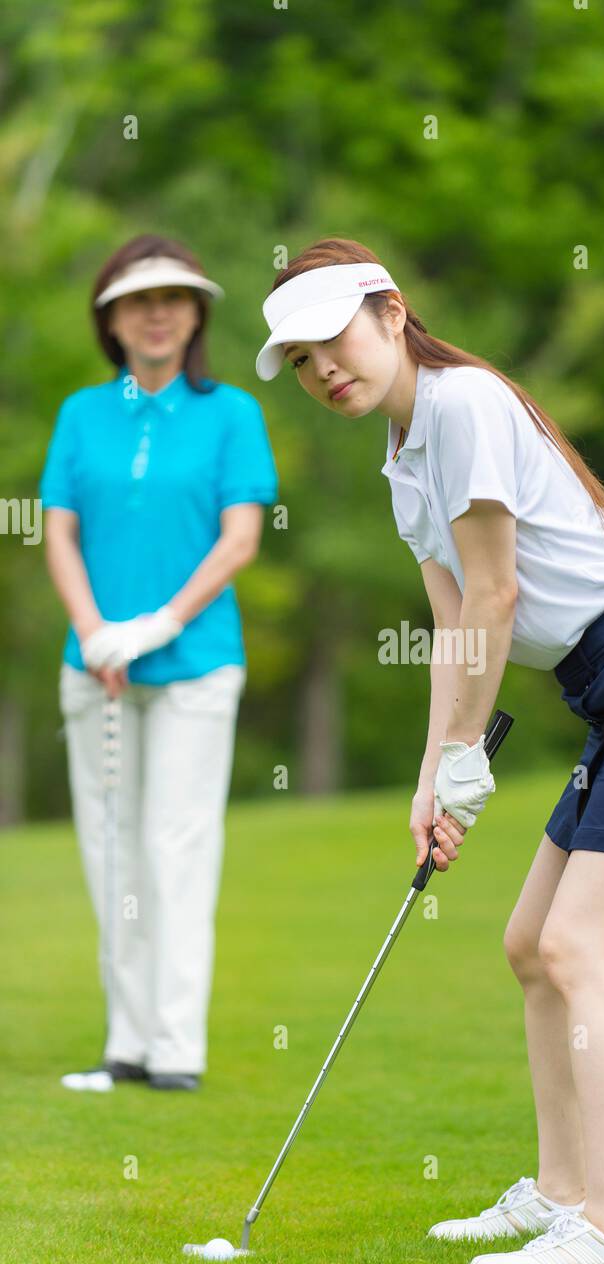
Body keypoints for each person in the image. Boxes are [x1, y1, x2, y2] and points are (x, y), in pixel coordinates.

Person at [253, 237, 604, 1264]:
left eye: (331, 340)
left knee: (578, 948)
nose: (322, 370)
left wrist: (463, 758)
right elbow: (453, 629)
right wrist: (437, 775)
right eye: (299, 362)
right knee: (530, 944)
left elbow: (497, 597)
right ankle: (559, 1193)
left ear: (391, 313)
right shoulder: (403, 461)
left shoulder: (464, 404)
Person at [40, 234, 278, 1093]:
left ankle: (176, 1047)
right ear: (111, 318)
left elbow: (239, 537)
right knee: (111, 853)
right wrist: (98, 630)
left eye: (173, 299)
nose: (156, 314)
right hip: (92, 669)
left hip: (197, 664)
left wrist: (154, 626)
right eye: (138, 300)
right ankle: (126, 1044)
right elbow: (59, 530)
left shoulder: (231, 414)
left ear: (196, 314)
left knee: (175, 847)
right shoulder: (81, 414)